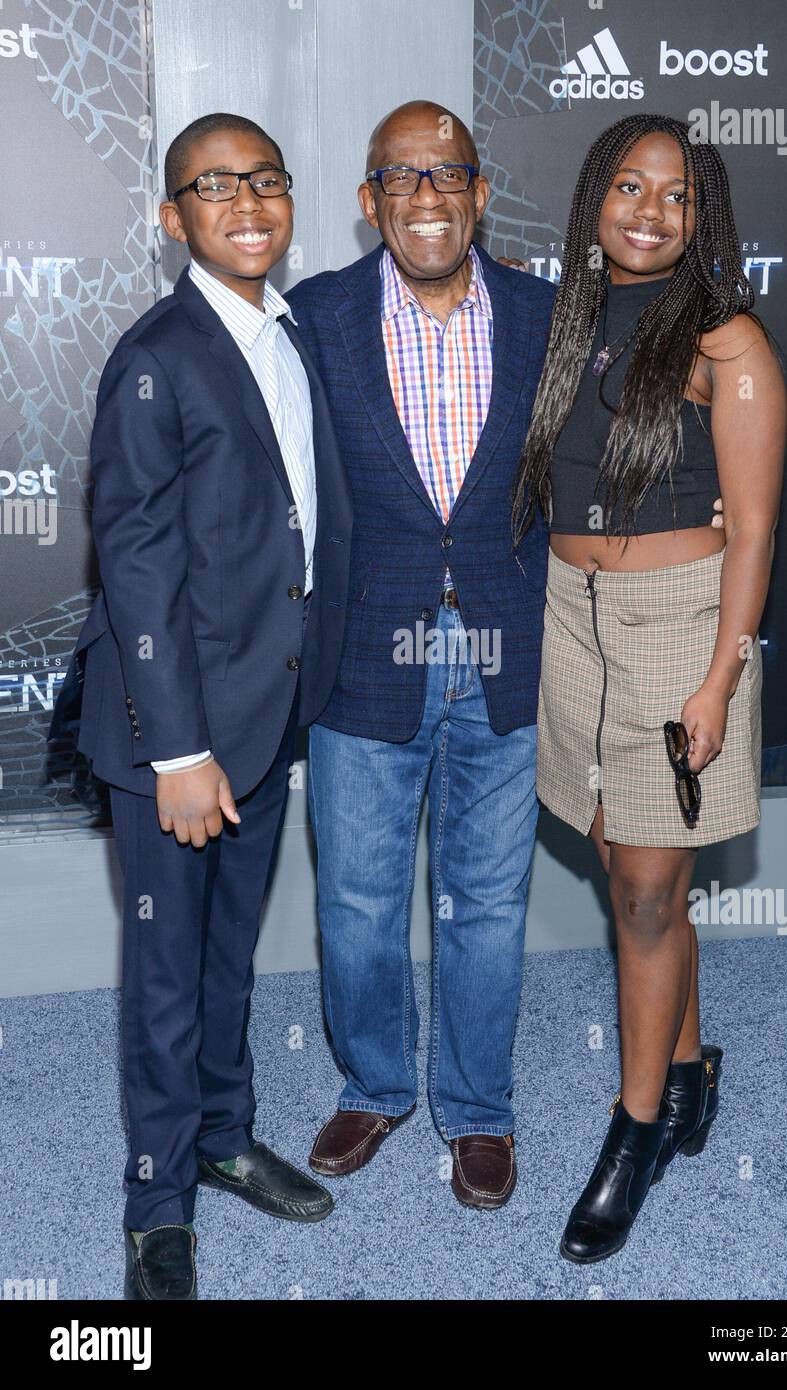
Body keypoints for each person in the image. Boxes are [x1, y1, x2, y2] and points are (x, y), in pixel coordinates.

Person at [60, 113, 352, 1298]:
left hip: (266, 711)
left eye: (267, 180)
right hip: (171, 738)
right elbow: (130, 561)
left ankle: (225, 1138)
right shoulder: (156, 351)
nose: (246, 202)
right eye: (212, 185)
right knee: (167, 973)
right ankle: (155, 1202)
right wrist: (177, 751)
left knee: (229, 957)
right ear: (172, 216)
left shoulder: (292, 334)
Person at [511, 113, 785, 1262]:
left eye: (673, 195)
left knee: (640, 897)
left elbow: (756, 527)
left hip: (680, 633)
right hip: (569, 624)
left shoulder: (727, 344)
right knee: (634, 870)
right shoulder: (561, 323)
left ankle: (631, 1136)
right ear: (593, 200)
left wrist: (720, 676)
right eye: (626, 185)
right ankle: (685, 1076)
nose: (646, 209)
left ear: (699, 215)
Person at [285, 101, 558, 1209]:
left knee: (485, 901)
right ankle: (376, 1084)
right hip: (362, 647)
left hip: (507, 642)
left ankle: (478, 1112)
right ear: (368, 203)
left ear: (480, 194)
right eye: (401, 176)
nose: (427, 194)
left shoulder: (546, 315)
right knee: (356, 900)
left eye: (447, 172)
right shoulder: (314, 319)